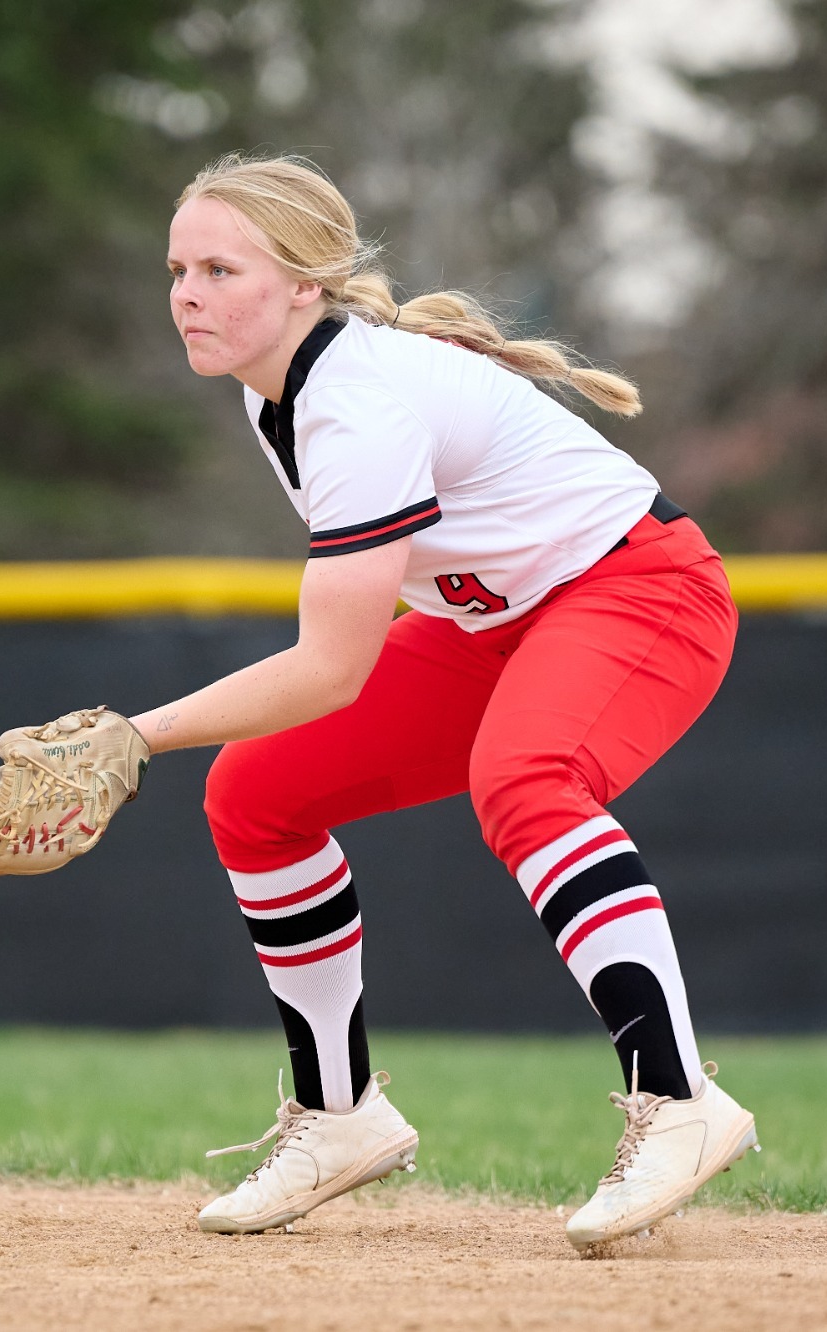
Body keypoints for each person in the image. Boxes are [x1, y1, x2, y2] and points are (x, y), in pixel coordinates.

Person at [120, 153, 757, 1250]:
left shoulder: (351, 402)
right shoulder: (277, 390)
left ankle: (679, 1097)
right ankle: (338, 1116)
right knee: (258, 792)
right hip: (499, 618)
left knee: (526, 781)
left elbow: (331, 668)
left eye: (221, 269)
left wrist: (134, 736)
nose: (188, 294)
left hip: (637, 587)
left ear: (305, 283)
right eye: (179, 269)